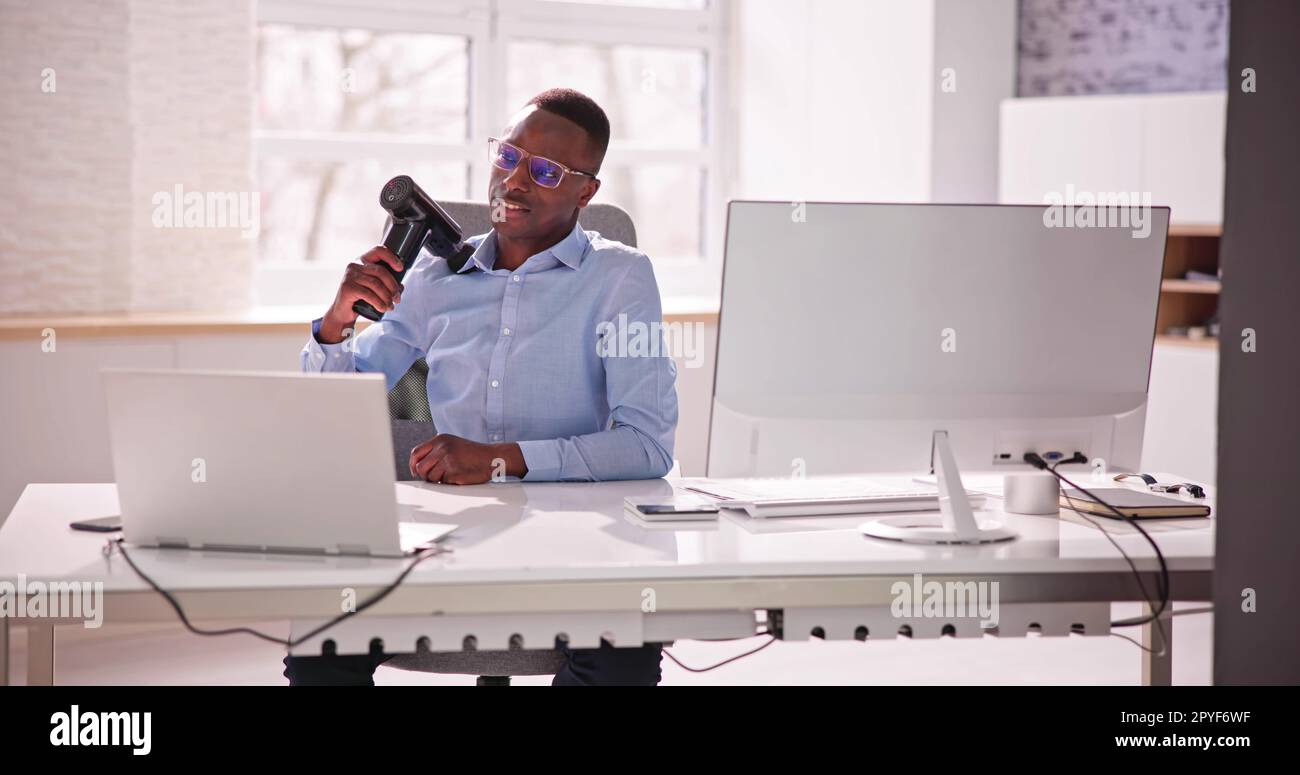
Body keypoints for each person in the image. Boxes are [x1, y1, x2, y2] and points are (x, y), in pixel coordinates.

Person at [286, 88, 678, 686]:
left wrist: (501, 460)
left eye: (546, 170)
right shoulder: (433, 275)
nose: (515, 181)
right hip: (446, 535)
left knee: (622, 655)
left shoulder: (620, 277)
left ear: (585, 192)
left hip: (576, 535)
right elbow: (334, 408)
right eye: (508, 156)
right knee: (318, 637)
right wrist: (337, 322)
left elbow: (647, 446)